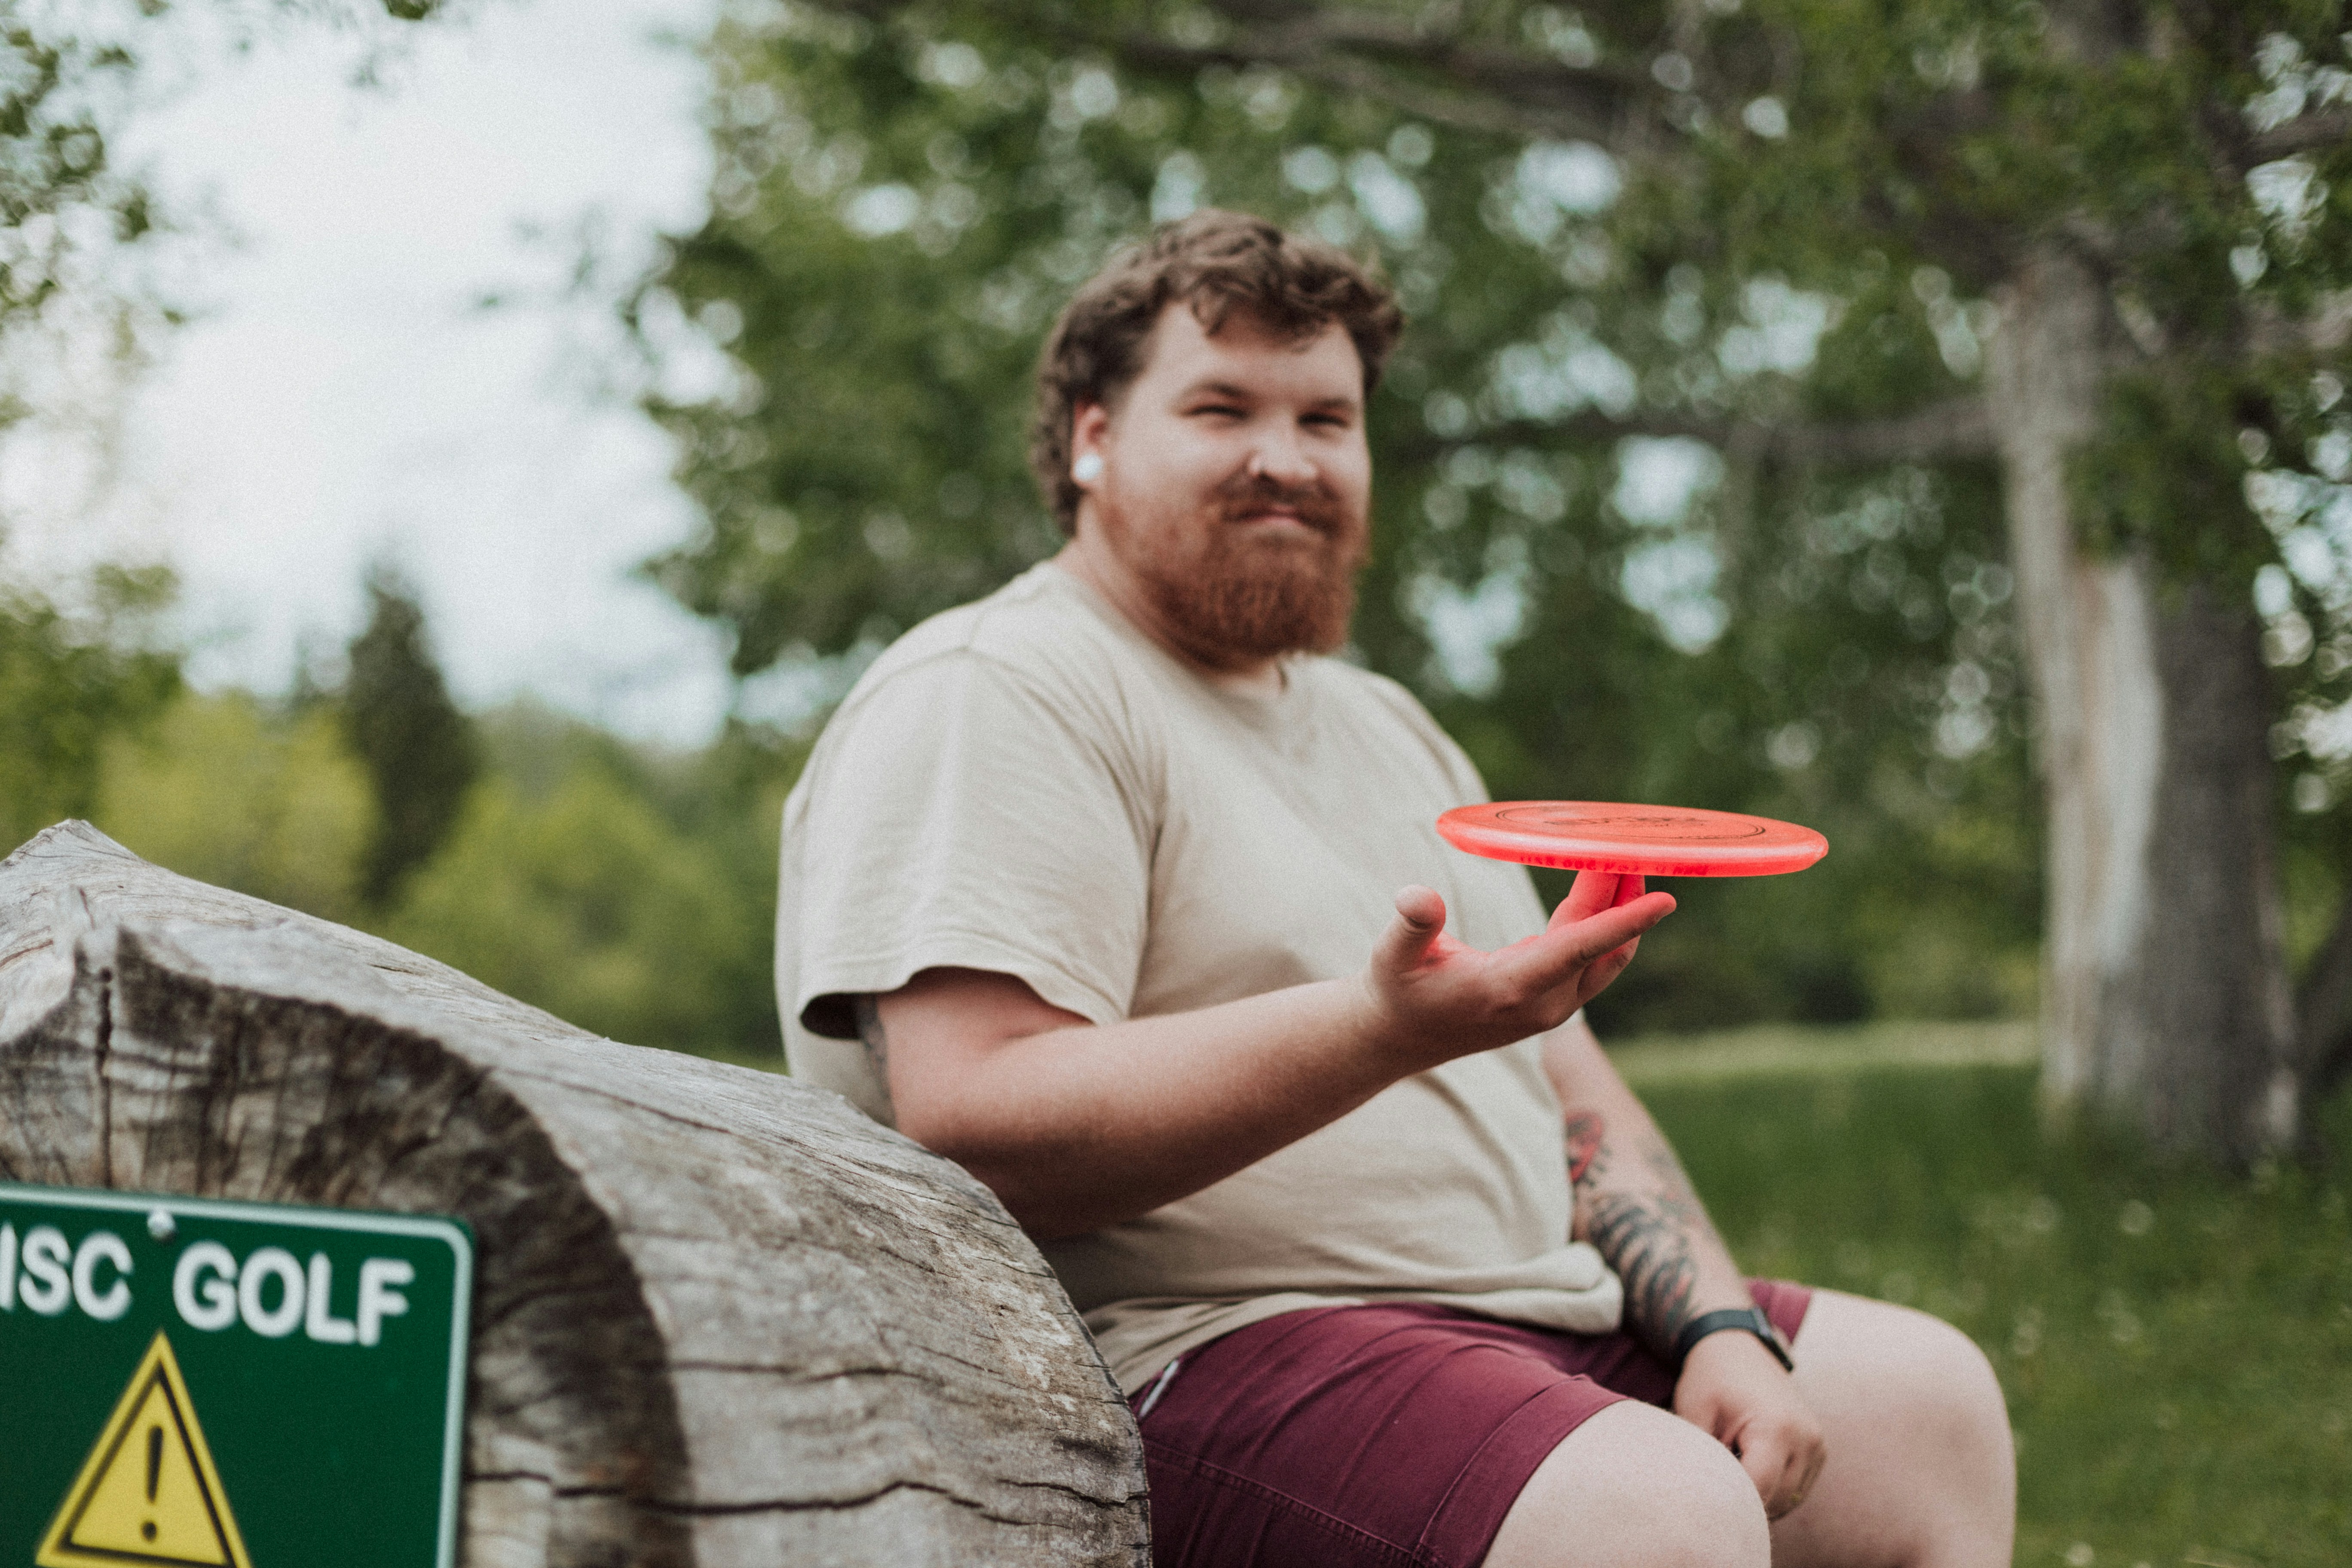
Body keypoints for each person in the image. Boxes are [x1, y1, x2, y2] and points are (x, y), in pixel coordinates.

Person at [775, 210, 2015, 1568]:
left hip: (1525, 1314)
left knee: (1928, 1407)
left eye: (1327, 418)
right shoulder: (1000, 689)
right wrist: (1377, 1030)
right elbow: (975, 1118)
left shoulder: (1389, 725)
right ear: (1093, 437)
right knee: (1659, 1508)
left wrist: (1717, 1324)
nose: (1286, 458)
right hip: (1191, 1353)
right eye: (1221, 408)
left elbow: (1572, 1089)